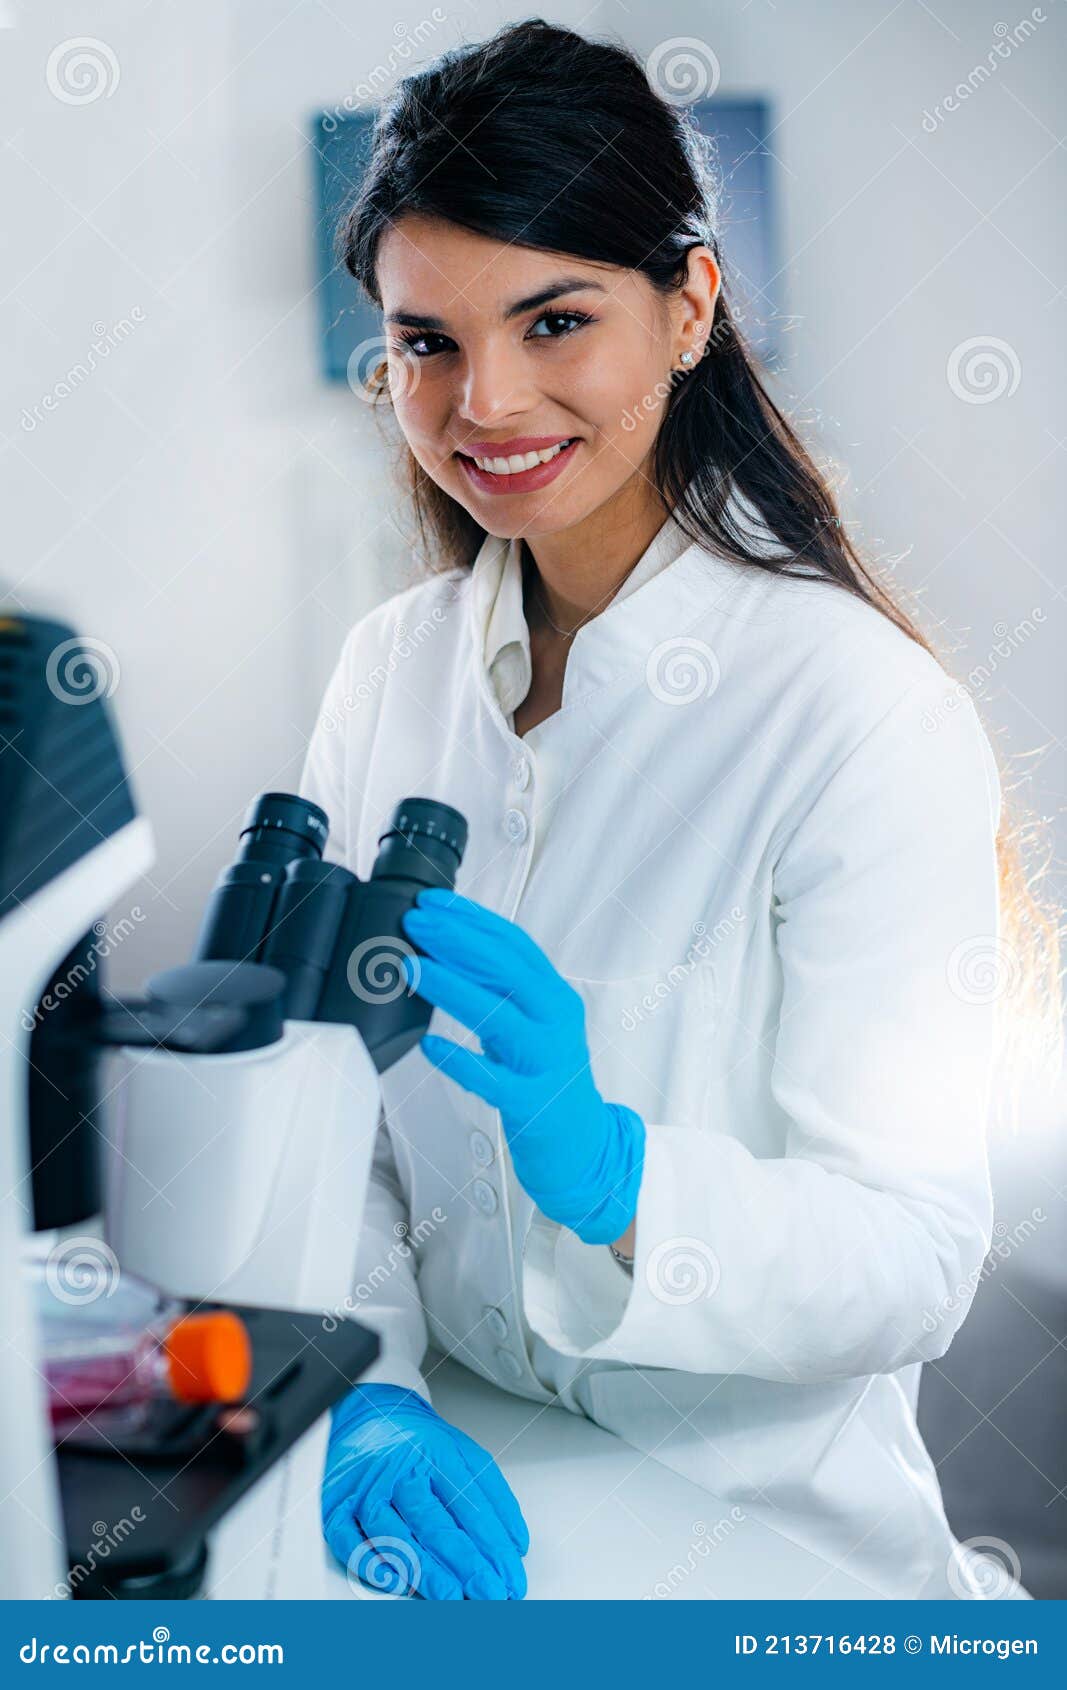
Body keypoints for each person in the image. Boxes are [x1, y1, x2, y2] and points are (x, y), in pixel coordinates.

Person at [303, 20, 1058, 1601]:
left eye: (555, 319)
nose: (484, 400)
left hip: (768, 1556)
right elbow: (332, 1121)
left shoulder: (857, 714)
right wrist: (365, 1382)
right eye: (426, 340)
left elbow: (914, 1258)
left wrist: (618, 1175)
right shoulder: (390, 674)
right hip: (458, 1512)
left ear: (690, 305)